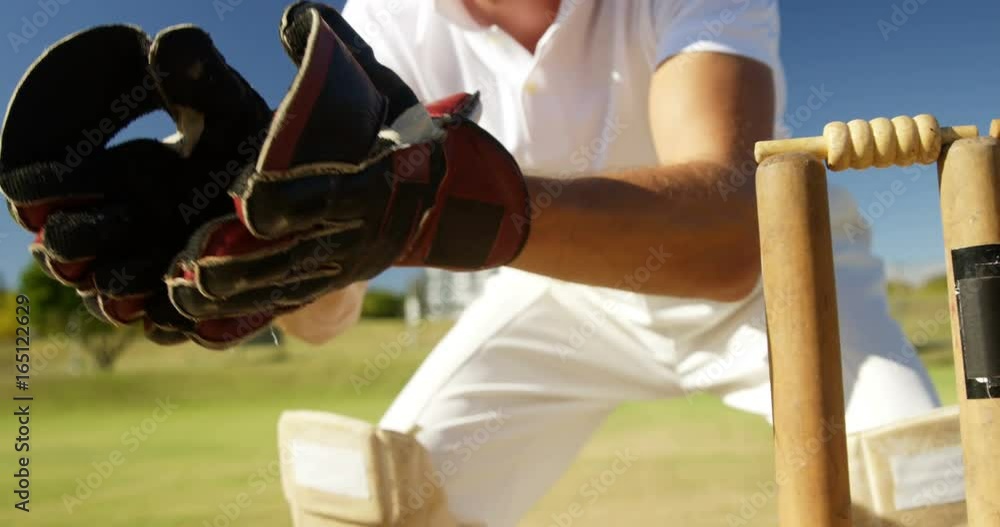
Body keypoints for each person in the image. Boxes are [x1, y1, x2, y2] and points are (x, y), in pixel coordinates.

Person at [0, 1, 940, 525]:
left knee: (928, 493)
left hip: (783, 278)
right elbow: (339, 294)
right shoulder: (387, 19)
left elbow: (733, 237)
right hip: (556, 294)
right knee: (370, 503)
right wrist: (280, 250)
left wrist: (456, 214)